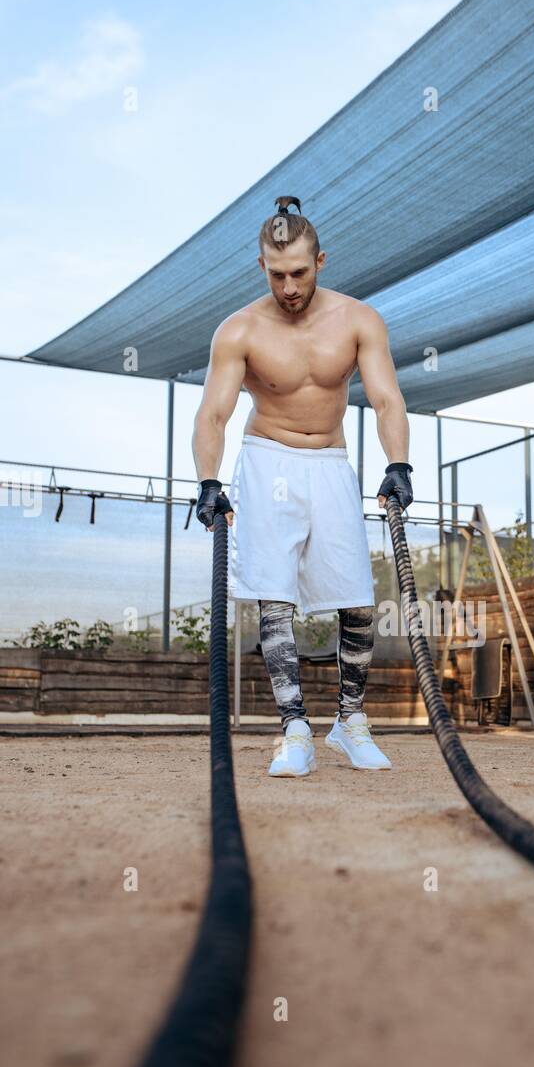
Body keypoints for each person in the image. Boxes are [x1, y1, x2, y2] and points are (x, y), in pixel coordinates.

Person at [192, 196, 413, 777]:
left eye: (299, 272)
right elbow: (213, 414)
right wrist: (209, 481)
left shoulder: (359, 319)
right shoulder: (239, 328)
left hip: (332, 462)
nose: (288, 287)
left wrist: (399, 464)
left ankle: (349, 721)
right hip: (267, 461)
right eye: (276, 273)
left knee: (358, 600)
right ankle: (293, 728)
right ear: (261, 267)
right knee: (275, 597)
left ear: (321, 260)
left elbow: (387, 397)